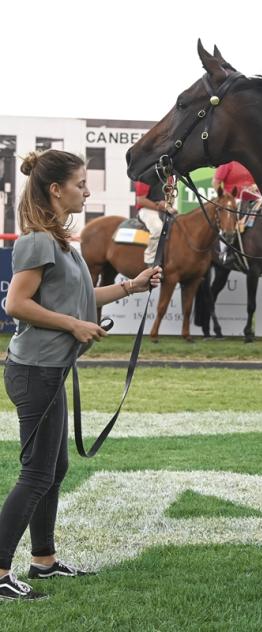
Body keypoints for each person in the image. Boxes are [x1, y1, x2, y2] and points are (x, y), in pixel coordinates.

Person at [0, 150, 161, 601]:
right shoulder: (37, 241)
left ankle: (43, 561)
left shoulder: (57, 241)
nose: (86, 191)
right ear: (56, 190)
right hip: (35, 373)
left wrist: (132, 284)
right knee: (35, 473)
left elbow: (80, 295)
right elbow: (16, 304)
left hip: (48, 371)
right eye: (79, 183)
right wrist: (73, 325)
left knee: (55, 467)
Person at [134, 173, 175, 266]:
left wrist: (167, 204)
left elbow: (170, 198)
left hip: (164, 209)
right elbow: (140, 200)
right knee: (157, 229)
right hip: (147, 210)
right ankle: (151, 261)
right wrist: (161, 207)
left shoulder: (170, 177)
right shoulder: (144, 175)